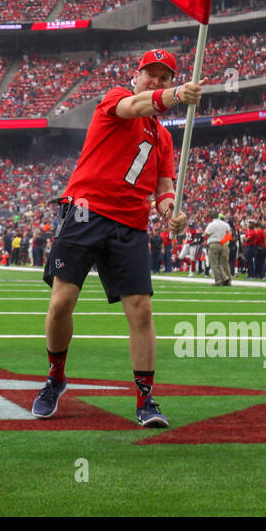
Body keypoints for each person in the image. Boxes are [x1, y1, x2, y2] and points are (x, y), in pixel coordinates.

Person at [32, 48, 202, 429]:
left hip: (130, 222)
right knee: (61, 303)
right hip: (84, 210)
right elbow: (134, 107)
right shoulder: (115, 98)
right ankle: (55, 378)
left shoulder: (163, 138)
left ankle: (145, 399)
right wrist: (174, 97)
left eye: (165, 78)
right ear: (136, 76)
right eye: (150, 75)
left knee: (141, 309)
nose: (155, 82)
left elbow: (163, 186)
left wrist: (170, 211)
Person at [204, 212, 232, 285]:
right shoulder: (225, 224)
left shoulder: (211, 225)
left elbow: (206, 234)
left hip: (214, 244)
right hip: (224, 245)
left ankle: (219, 280)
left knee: (214, 263)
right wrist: (223, 242)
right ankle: (227, 279)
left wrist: (206, 241)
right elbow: (229, 235)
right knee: (224, 263)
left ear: (211, 218)